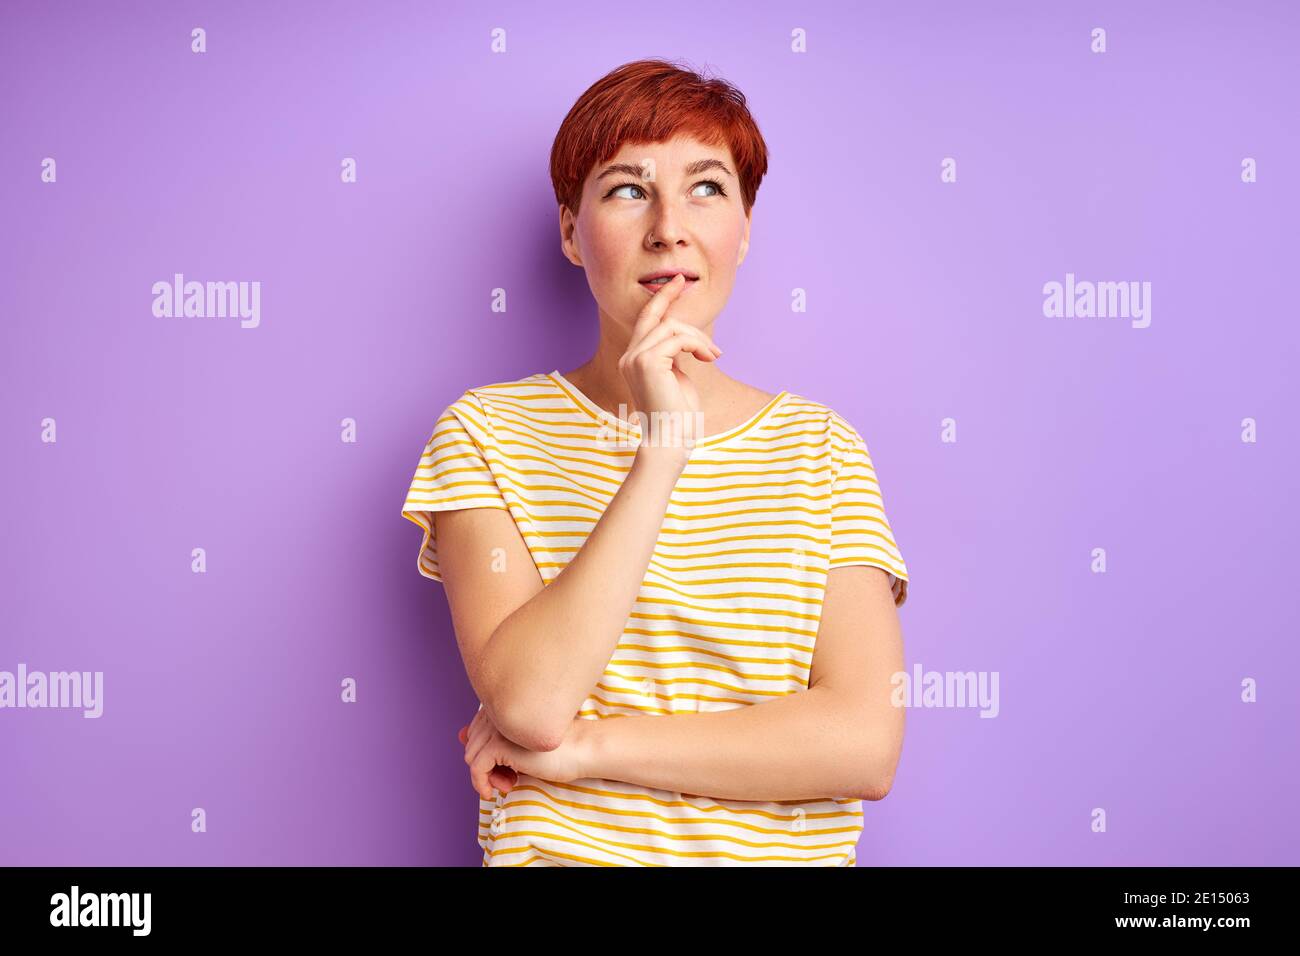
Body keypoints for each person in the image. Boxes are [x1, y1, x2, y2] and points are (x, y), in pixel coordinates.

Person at [401, 58, 910, 866]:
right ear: (570, 232)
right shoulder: (485, 432)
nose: (669, 225)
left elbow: (862, 743)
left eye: (707, 188)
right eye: (627, 189)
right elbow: (530, 705)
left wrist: (586, 753)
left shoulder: (823, 449)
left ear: (744, 228)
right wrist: (660, 455)